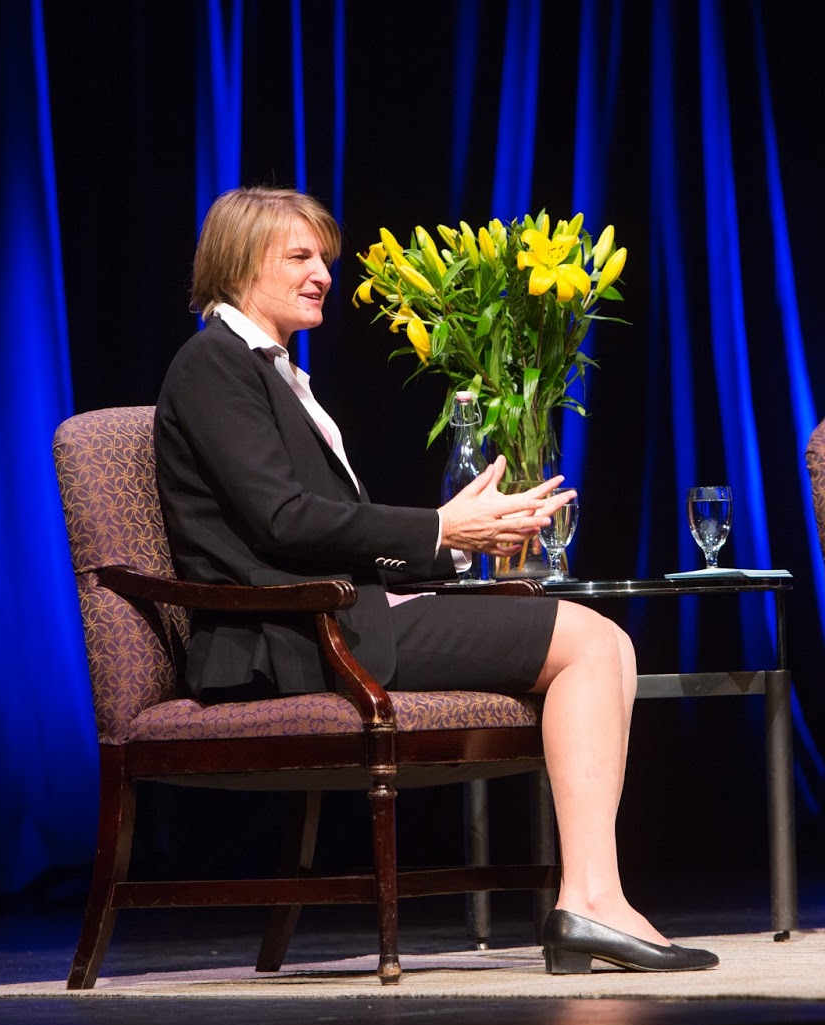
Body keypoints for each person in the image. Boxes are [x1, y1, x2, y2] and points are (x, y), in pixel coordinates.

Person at [155, 186, 717, 975]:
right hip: (291, 635)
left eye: (325, 257)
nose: (323, 274)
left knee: (603, 644)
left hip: (344, 613)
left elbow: (312, 523)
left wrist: (453, 548)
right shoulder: (215, 364)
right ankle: (589, 900)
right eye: (301, 257)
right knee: (591, 644)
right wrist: (440, 529)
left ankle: (596, 895)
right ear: (240, 261)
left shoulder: (267, 369)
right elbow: (282, 520)